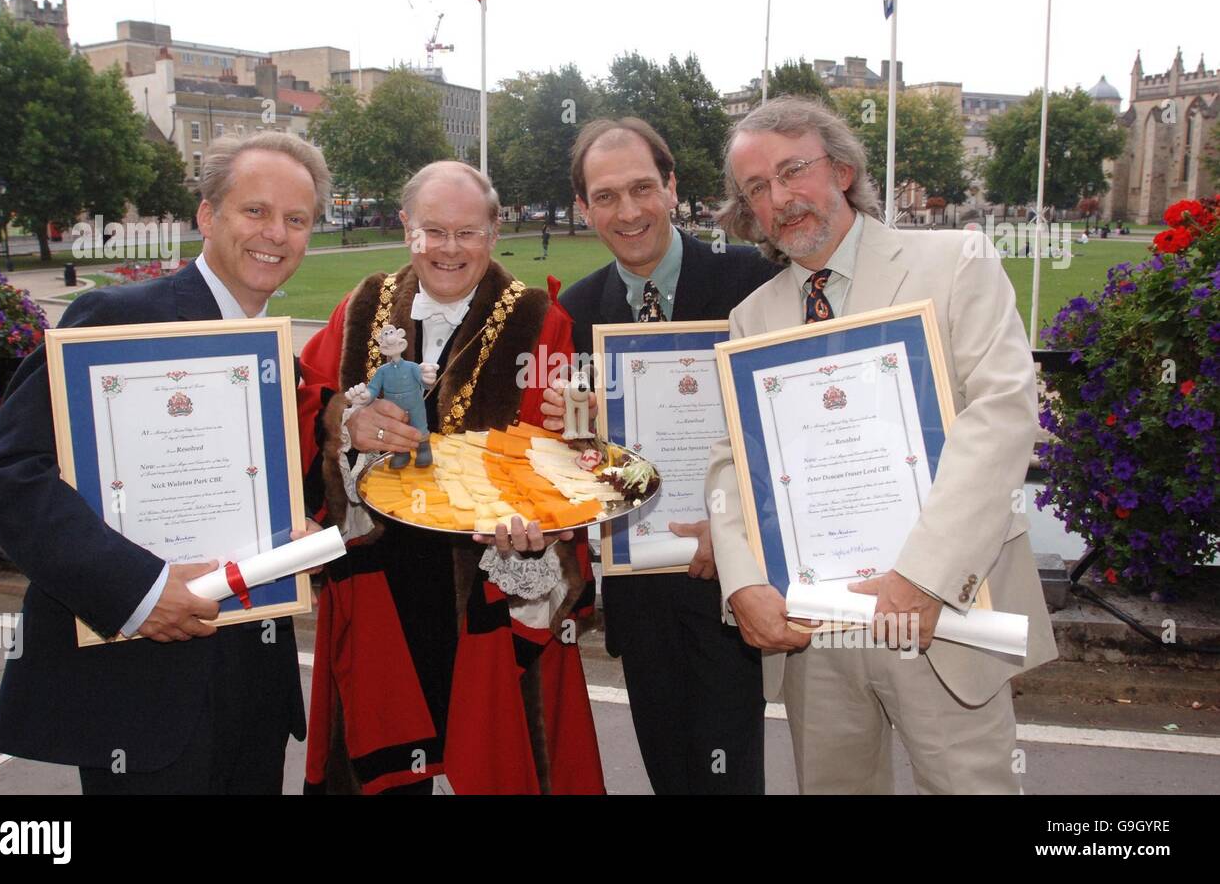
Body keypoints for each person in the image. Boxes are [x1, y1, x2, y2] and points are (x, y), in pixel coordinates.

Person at [707, 96, 1057, 794]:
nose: (779, 198)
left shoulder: (955, 261)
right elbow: (728, 463)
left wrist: (922, 576)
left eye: (792, 170)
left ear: (840, 168)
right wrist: (743, 579)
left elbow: (1003, 413)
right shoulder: (754, 316)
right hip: (816, 629)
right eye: (756, 188)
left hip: (944, 609)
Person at [0, 132, 331, 794]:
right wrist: (138, 591)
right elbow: (5, 469)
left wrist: (300, 532)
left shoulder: (275, 357)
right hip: (139, 696)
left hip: (254, 692)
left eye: (296, 219)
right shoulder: (117, 317)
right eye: (255, 211)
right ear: (208, 216)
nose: (275, 233)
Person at [298, 160, 604, 795]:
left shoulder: (541, 319)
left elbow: (566, 449)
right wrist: (341, 427)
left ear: (494, 231)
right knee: (381, 767)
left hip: (486, 591)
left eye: (467, 232)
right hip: (379, 584)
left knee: (494, 759)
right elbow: (303, 414)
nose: (447, 248)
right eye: (432, 230)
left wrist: (555, 497)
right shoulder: (358, 307)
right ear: (407, 226)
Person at [543, 117, 778, 794]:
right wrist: (575, 438)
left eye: (643, 187)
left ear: (672, 188)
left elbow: (780, 425)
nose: (629, 211)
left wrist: (733, 525)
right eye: (606, 196)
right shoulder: (577, 311)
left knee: (729, 780)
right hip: (641, 594)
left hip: (730, 584)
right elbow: (586, 465)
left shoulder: (752, 281)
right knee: (671, 777)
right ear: (584, 209)